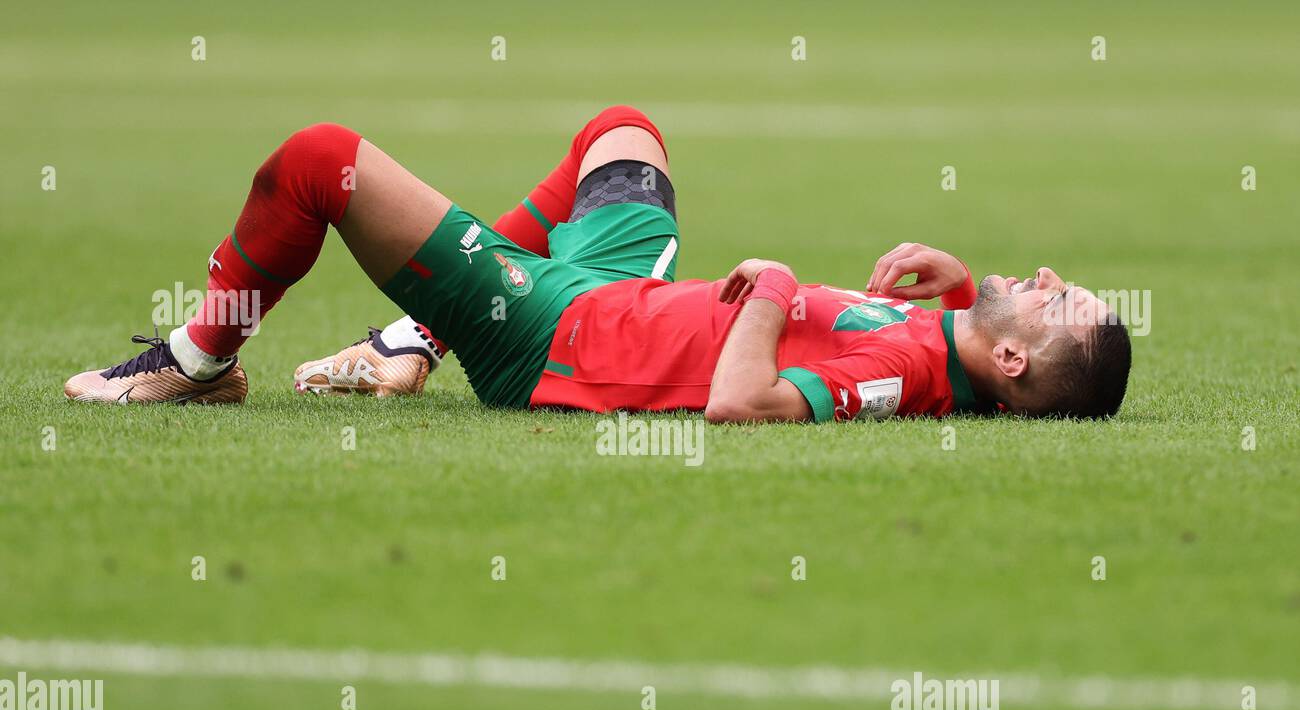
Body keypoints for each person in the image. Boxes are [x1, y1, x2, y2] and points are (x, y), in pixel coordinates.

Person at [65, 107, 1130, 420]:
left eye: (1056, 302)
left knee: (318, 164)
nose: (1042, 274)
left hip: (563, 338)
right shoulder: (947, 344)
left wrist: (764, 284)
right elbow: (918, 349)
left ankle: (200, 364)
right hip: (628, 294)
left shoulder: (904, 377)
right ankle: (404, 343)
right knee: (617, 136)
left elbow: (744, 403)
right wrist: (956, 287)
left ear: (1017, 364)